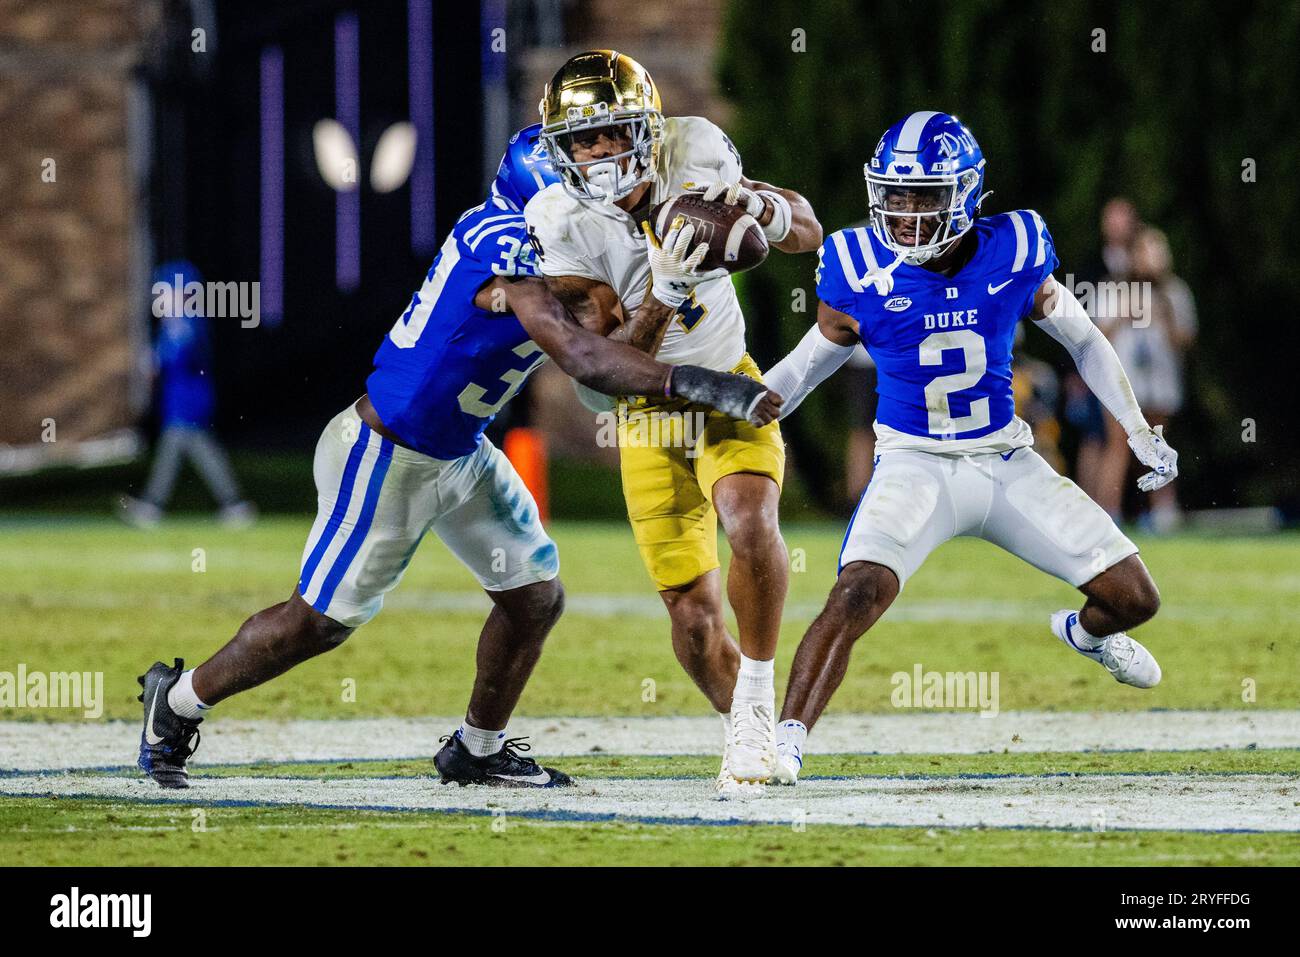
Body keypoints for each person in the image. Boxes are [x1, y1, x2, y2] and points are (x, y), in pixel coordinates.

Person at [136, 125, 781, 790]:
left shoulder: (563, 244)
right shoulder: (502, 238)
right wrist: (701, 381)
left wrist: (685, 269)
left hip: (459, 449)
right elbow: (584, 356)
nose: (591, 197)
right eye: (575, 180)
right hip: (388, 452)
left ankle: (477, 749)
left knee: (534, 598)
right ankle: (177, 701)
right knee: (318, 623)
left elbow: (609, 336)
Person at [760, 112, 1177, 784]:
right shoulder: (857, 267)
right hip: (914, 463)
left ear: (965, 194)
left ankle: (1086, 634)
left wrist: (1136, 428)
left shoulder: (1013, 248)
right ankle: (783, 744)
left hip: (1005, 461)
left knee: (1137, 600)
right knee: (856, 591)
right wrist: (735, 413)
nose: (904, 214)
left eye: (922, 196)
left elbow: (1084, 340)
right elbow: (803, 370)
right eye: (894, 196)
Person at [523, 50, 822, 795]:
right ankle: (742, 721)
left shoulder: (695, 148)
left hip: (727, 386)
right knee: (692, 621)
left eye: (612, 132)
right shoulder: (559, 222)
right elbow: (603, 375)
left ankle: (759, 703)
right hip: (646, 416)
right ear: (560, 149)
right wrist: (665, 289)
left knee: (750, 519)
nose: (599, 152)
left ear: (647, 130)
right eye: (582, 139)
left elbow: (808, 231)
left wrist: (762, 207)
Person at [119, 261, 256, 528]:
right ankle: (234, 504)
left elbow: (181, 354)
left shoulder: (186, 320)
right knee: (199, 450)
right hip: (178, 398)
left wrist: (155, 361)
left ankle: (153, 505)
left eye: (165, 290)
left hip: (189, 399)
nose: (159, 296)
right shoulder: (173, 322)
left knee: (175, 446)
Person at [1097, 226, 1196, 532]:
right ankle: (1108, 513)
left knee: (1158, 442)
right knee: (1118, 444)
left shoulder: (1174, 292)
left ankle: (1162, 511)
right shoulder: (1114, 289)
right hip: (1122, 380)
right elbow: (1096, 335)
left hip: (1160, 379)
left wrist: (1165, 315)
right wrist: (1124, 314)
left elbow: (1186, 338)